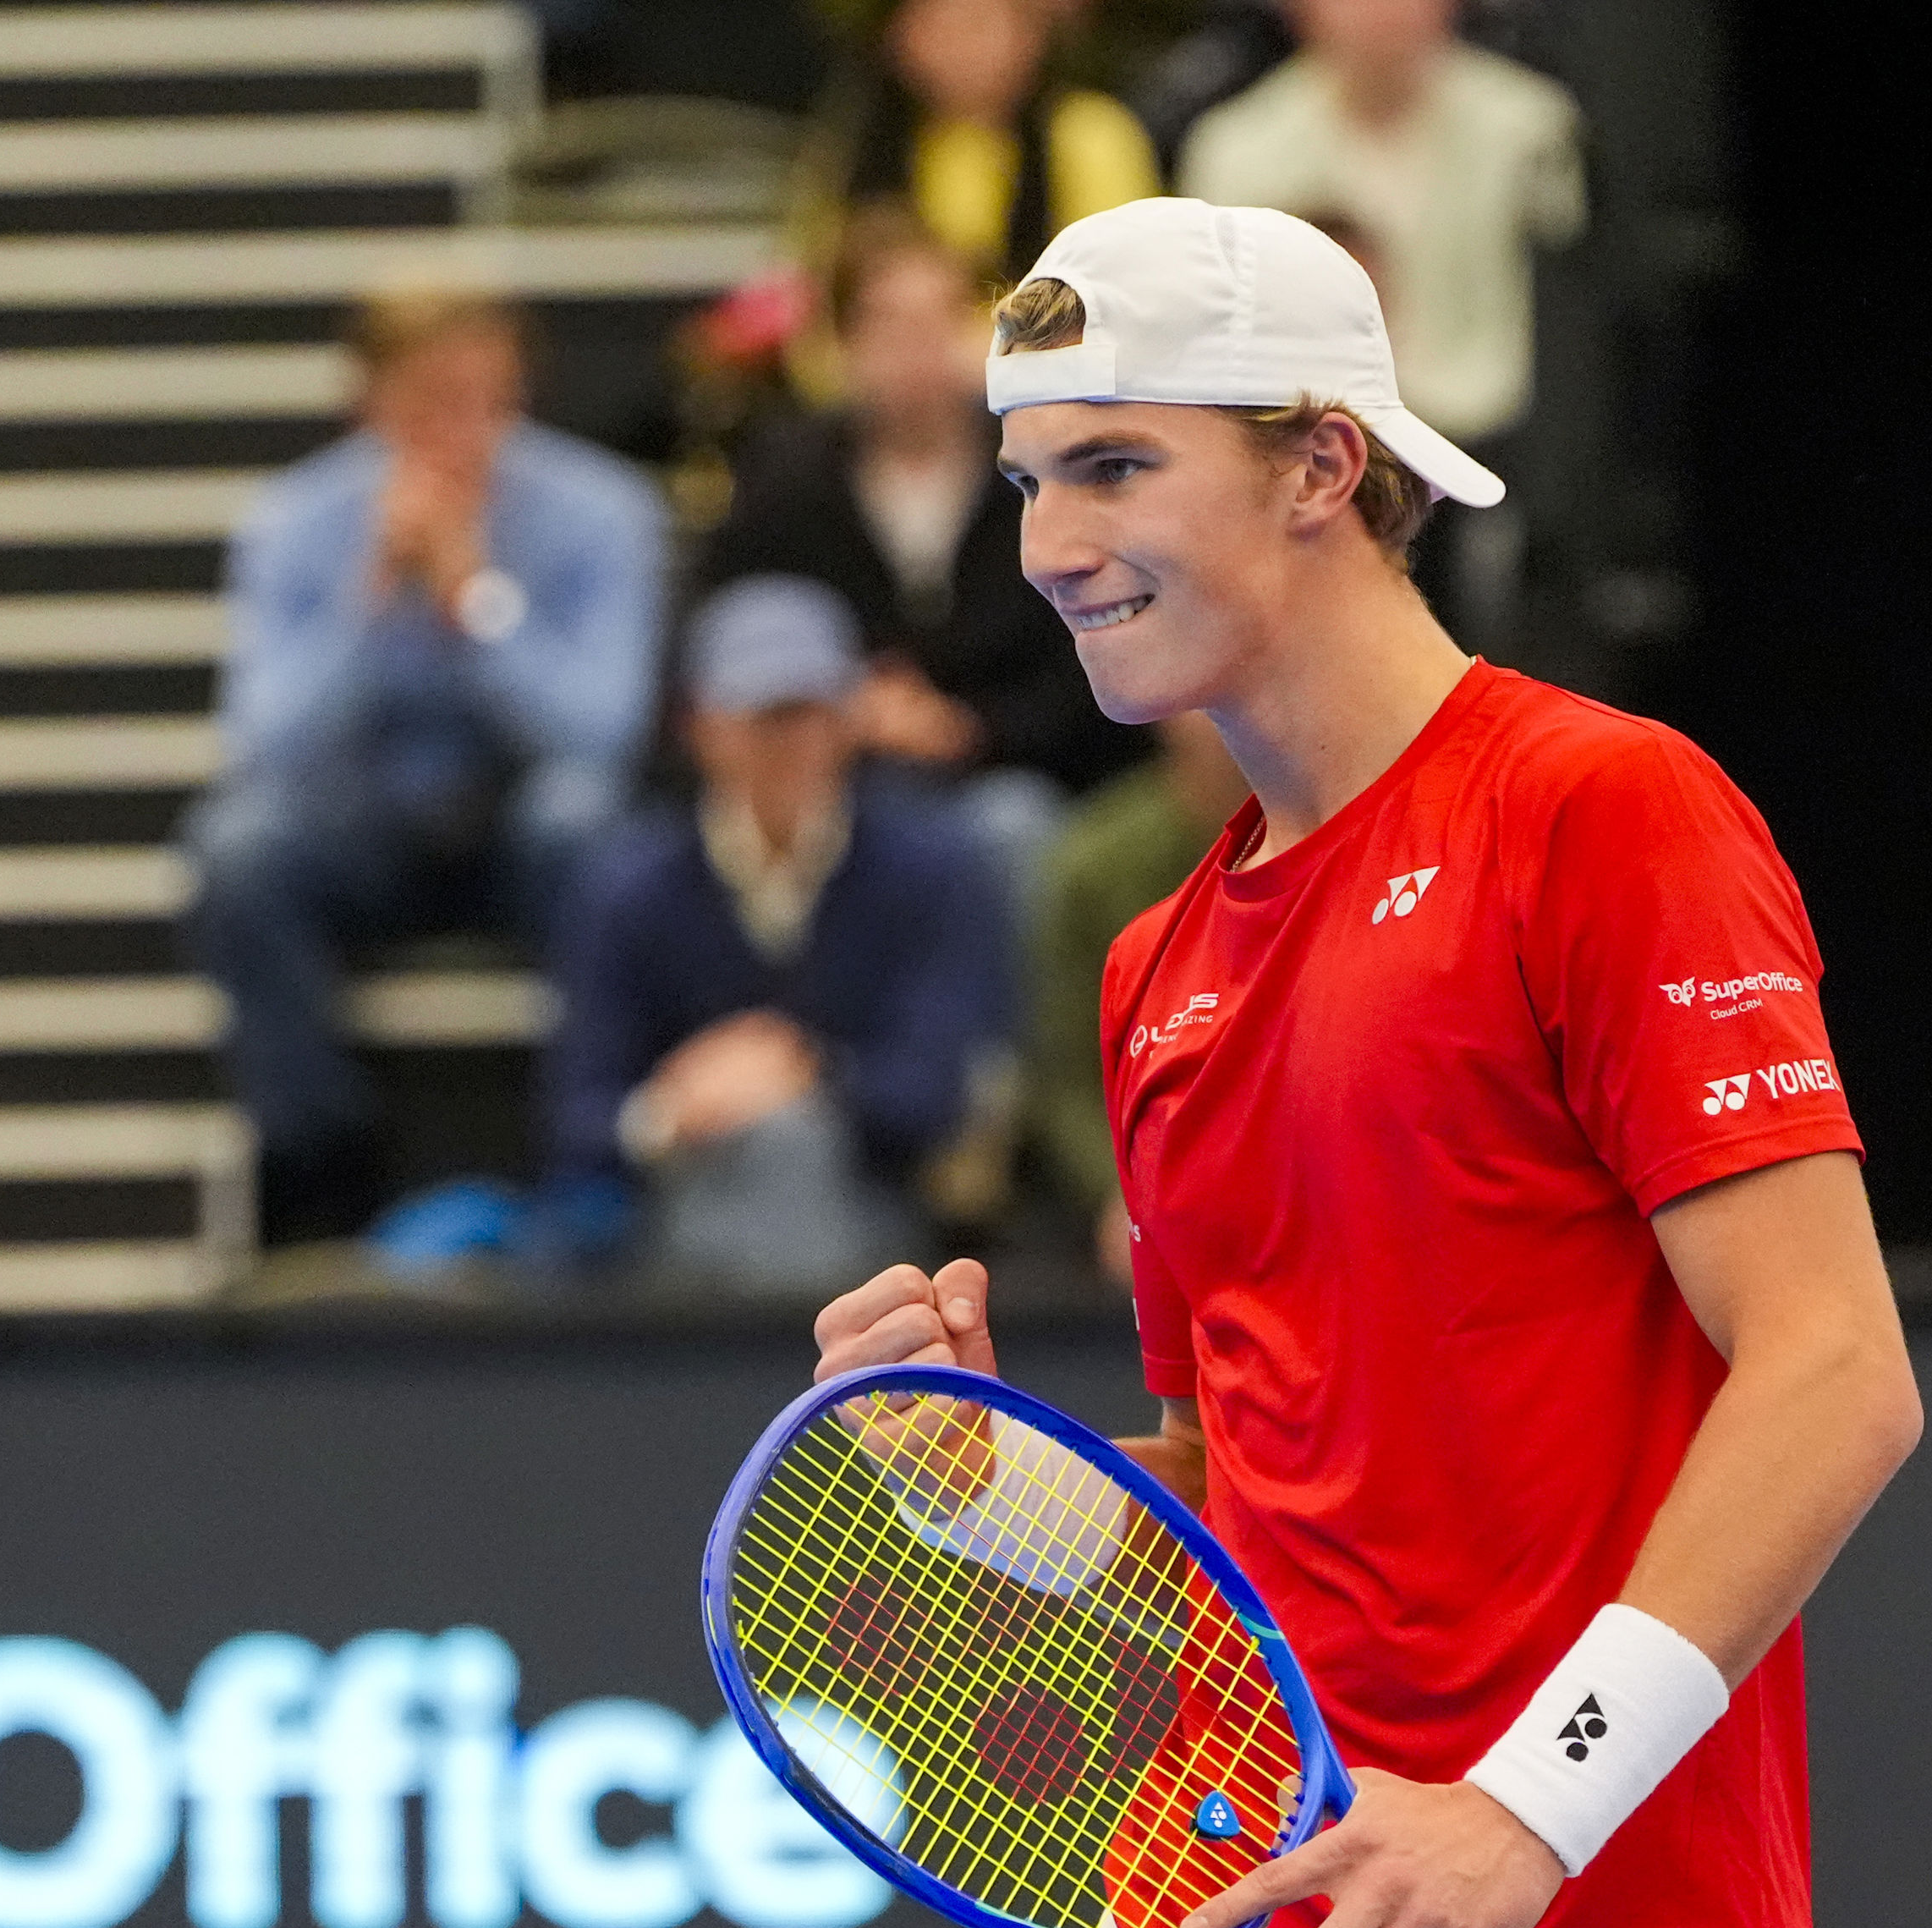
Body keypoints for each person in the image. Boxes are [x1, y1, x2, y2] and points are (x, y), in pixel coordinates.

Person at [807, 199, 1920, 1928]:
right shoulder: (1155, 967)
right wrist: (980, 1470)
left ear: (1325, 463)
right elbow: (1247, 1478)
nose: (1049, 540)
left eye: (1114, 466)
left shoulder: (1607, 810)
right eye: (1032, 478)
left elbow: (1837, 1374)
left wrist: (1523, 1811)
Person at [179, 288, 670, 1242]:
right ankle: (317, 1163)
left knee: (591, 826)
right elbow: (264, 745)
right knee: (235, 849)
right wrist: (367, 606)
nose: (456, 430)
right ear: (368, 404)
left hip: (525, 829)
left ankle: (589, 1154)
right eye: (426, 403)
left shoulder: (604, 510)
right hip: (366, 828)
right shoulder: (293, 521)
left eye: (481, 398)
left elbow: (599, 735)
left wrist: (475, 599)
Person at [546, 574, 1015, 1293]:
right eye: (762, 717)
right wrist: (675, 1113)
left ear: (847, 720)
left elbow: (932, 1090)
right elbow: (578, 1111)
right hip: (685, 1208)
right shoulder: (629, 888)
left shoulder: (931, 869)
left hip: (869, 1208)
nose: (790, 743)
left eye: (811, 714)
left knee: (792, 1150)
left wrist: (801, 1069)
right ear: (701, 726)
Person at [703, 211, 1146, 897]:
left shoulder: (1043, 471)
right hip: (827, 768)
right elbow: (733, 634)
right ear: (843, 343)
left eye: (942, 320)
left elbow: (1090, 656)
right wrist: (842, 710)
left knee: (1012, 824)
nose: (919, 352)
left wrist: (968, 728)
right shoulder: (785, 479)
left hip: (1016, 771)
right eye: (890, 326)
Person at [1178, 0, 1583, 648]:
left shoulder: (1532, 129)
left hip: (1497, 447)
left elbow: (1576, 324)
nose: (1380, 12)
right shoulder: (1235, 147)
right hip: (1312, 450)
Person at [1026, 706, 1245, 1272]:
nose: (1219, 722)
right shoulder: (1097, 863)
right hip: (1147, 1156)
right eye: (1202, 704)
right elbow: (1068, 1072)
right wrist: (1120, 1186)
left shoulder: (1342, 827)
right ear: (1167, 714)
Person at [805, 0, 1160, 289]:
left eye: (976, 25)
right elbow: (820, 289)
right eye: (936, 26)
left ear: (1031, 34)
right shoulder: (866, 140)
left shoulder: (1091, 132)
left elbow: (1122, 284)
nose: (957, 48)